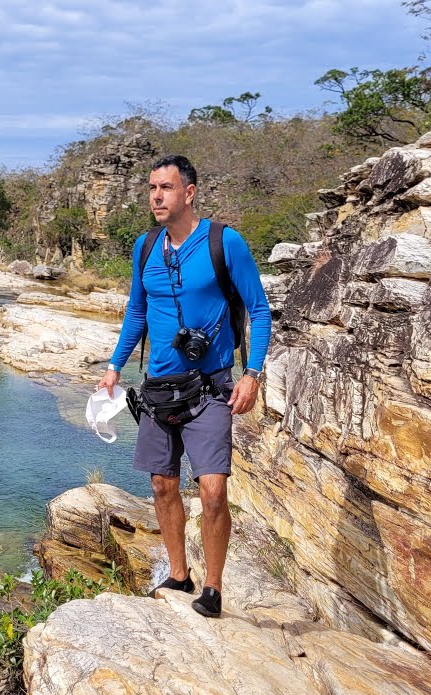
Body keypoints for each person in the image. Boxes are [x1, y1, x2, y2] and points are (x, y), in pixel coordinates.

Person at [97, 154, 271, 618]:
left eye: (166, 188)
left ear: (188, 193)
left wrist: (252, 374)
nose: (156, 196)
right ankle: (179, 573)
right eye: (152, 188)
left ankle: (212, 588)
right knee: (161, 485)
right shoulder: (146, 247)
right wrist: (115, 367)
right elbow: (136, 312)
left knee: (213, 490)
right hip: (157, 387)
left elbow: (260, 311)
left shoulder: (224, 243)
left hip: (211, 386)